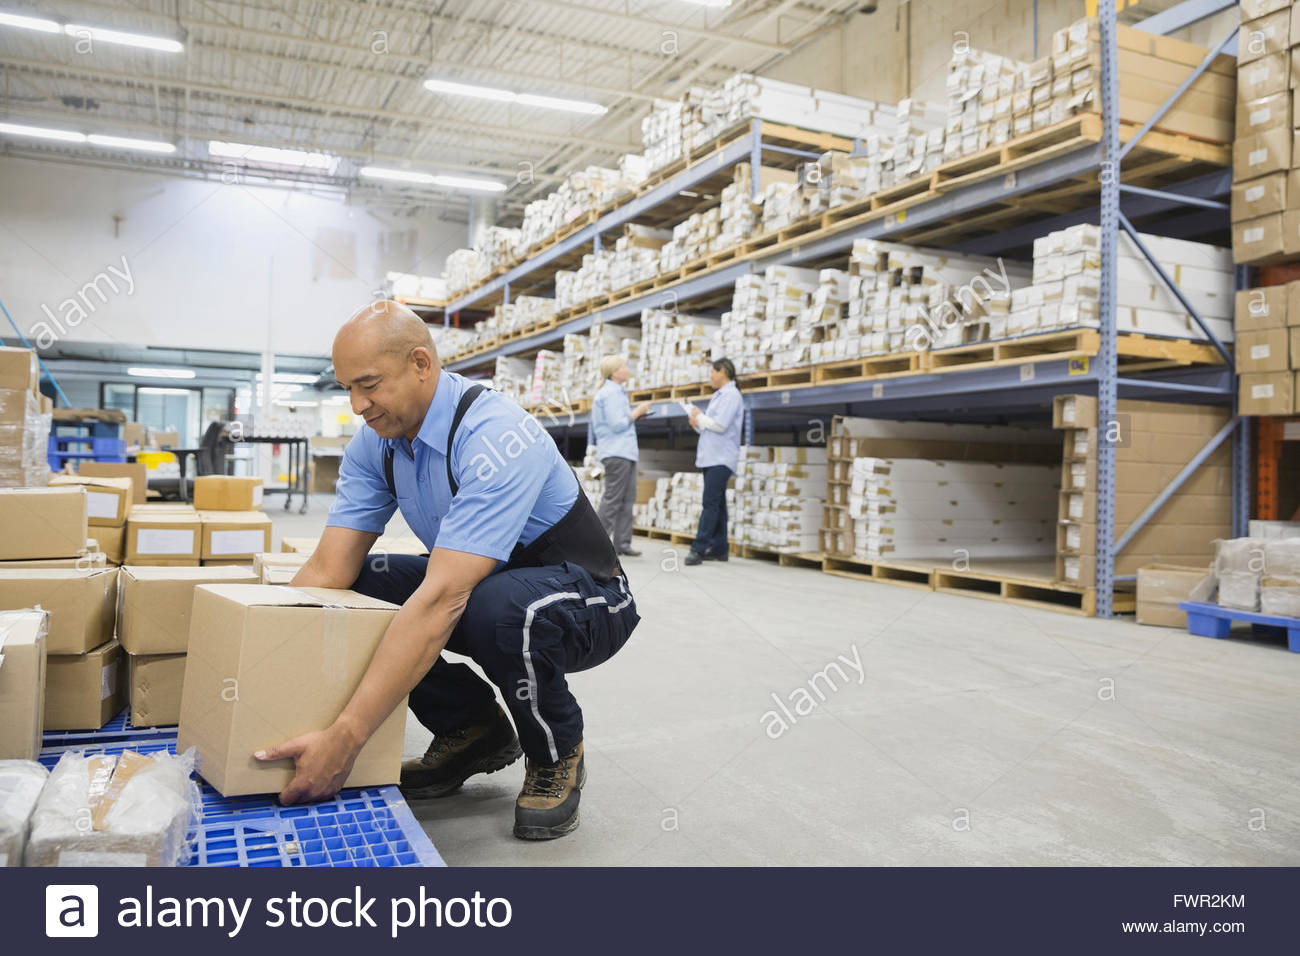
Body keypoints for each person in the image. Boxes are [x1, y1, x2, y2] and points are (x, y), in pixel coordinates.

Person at [260, 300, 640, 841]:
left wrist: (346, 738)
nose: (356, 405)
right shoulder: (379, 443)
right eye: (346, 387)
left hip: (590, 600)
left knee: (497, 609)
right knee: (363, 589)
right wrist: (259, 662)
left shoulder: (494, 435)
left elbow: (442, 600)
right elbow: (328, 568)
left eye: (368, 384)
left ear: (421, 363)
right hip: (486, 583)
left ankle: (556, 751)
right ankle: (471, 730)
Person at [591, 355, 651, 558]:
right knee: (613, 500)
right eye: (624, 366)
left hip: (625, 451)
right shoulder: (610, 393)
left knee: (627, 499)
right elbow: (617, 424)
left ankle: (622, 544)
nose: (627, 369)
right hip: (617, 452)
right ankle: (595, 544)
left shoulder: (616, 392)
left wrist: (634, 415)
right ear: (615, 372)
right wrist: (637, 412)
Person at [685, 358, 743, 567]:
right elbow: (709, 427)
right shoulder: (720, 395)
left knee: (709, 503)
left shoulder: (731, 395)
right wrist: (696, 422)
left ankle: (698, 549)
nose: (710, 376)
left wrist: (700, 416)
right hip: (711, 456)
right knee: (718, 504)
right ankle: (720, 548)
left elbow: (720, 425)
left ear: (723, 372)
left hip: (721, 458)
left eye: (712, 372)